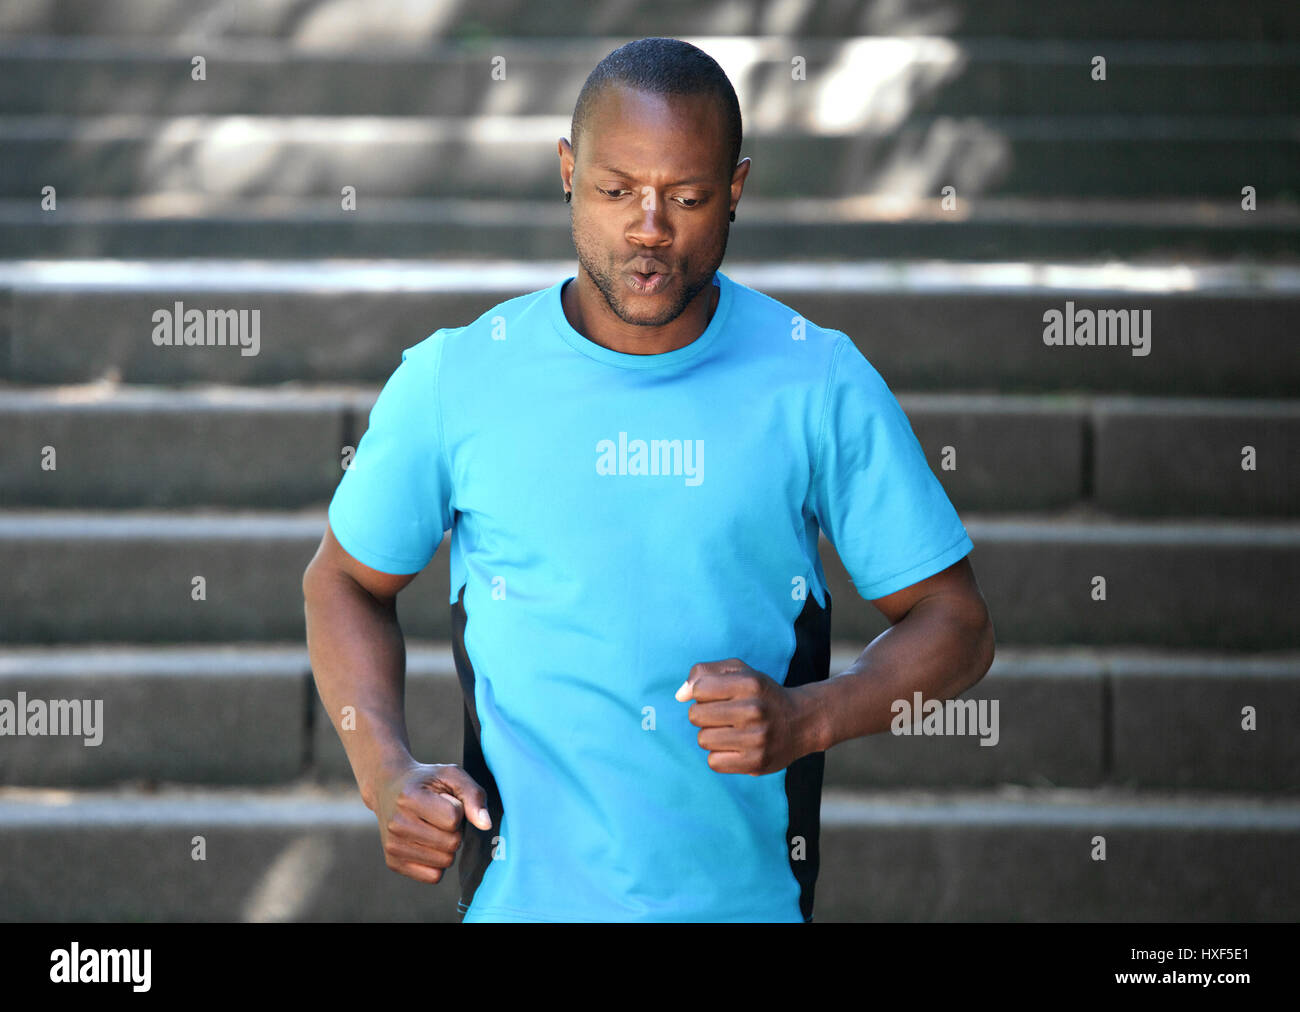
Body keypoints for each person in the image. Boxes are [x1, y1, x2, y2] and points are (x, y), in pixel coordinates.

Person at [302, 37, 994, 923]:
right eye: (616, 189)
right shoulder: (458, 379)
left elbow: (959, 627)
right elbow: (345, 582)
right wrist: (385, 770)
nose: (649, 227)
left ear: (736, 191)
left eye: (689, 196)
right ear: (567, 171)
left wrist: (809, 719)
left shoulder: (816, 378)